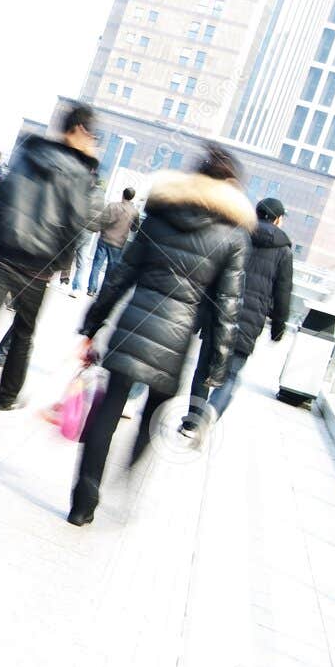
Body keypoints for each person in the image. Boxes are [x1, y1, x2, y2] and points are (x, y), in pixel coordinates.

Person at [68, 145, 253, 525]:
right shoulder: (232, 237)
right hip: (176, 339)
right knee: (152, 417)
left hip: (132, 326)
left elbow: (121, 275)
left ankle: (83, 502)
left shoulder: (160, 217)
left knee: (108, 410)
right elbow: (227, 309)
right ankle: (125, 478)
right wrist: (217, 366)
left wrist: (93, 323)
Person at [0, 101, 99, 421]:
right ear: (80, 130)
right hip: (38, 266)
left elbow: (1, 198)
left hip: (3, 255)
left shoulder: (28, 153)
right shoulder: (80, 173)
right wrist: (60, 264)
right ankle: (5, 398)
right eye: (92, 134)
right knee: (24, 332)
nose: (94, 141)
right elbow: (75, 224)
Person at [182, 196, 293, 430]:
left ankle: (191, 423)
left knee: (203, 370)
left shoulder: (235, 234)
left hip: (219, 312)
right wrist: (278, 327)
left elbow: (211, 274)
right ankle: (210, 415)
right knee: (230, 376)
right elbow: (283, 293)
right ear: (277, 219)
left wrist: (200, 315)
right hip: (249, 322)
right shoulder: (283, 252)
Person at [88, 186, 139, 296]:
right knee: (111, 269)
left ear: (123, 195)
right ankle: (103, 292)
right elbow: (135, 228)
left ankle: (91, 289)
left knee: (96, 265)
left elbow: (103, 220)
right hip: (118, 244)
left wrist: (102, 230)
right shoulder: (134, 212)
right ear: (132, 197)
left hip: (104, 239)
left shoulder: (112, 206)